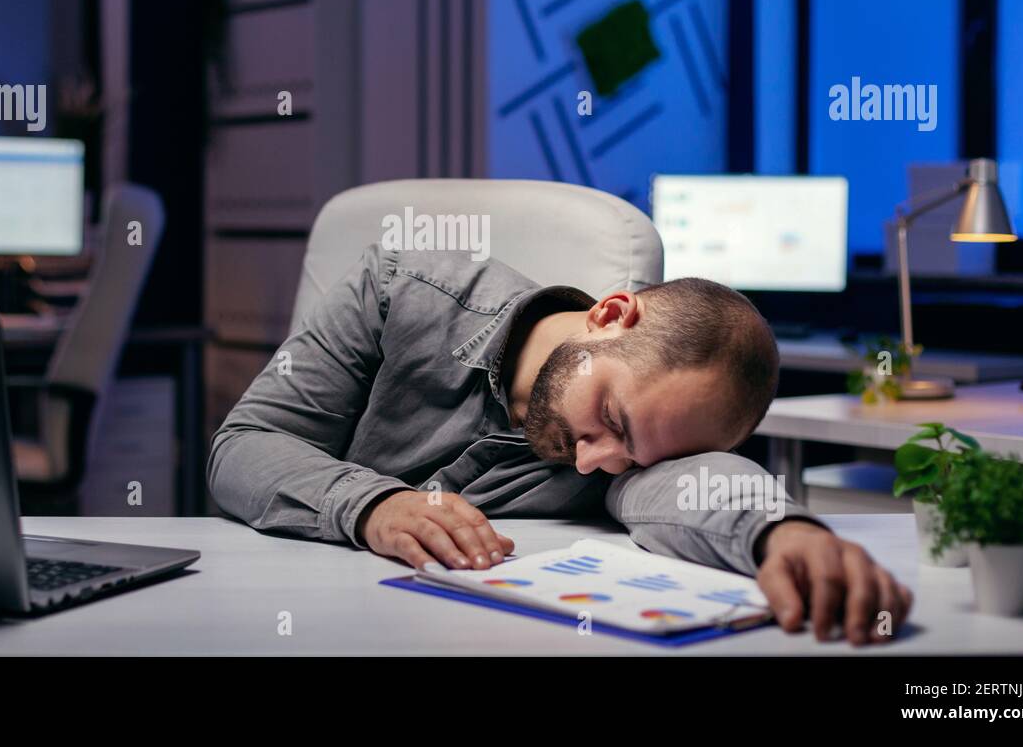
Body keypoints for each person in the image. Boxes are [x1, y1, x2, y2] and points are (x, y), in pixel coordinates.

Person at [209, 244, 912, 645]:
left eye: (633, 459)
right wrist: (373, 506)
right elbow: (241, 446)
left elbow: (693, 484)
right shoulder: (400, 291)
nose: (591, 461)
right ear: (609, 314)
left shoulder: (620, 455)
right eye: (612, 417)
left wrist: (779, 530)